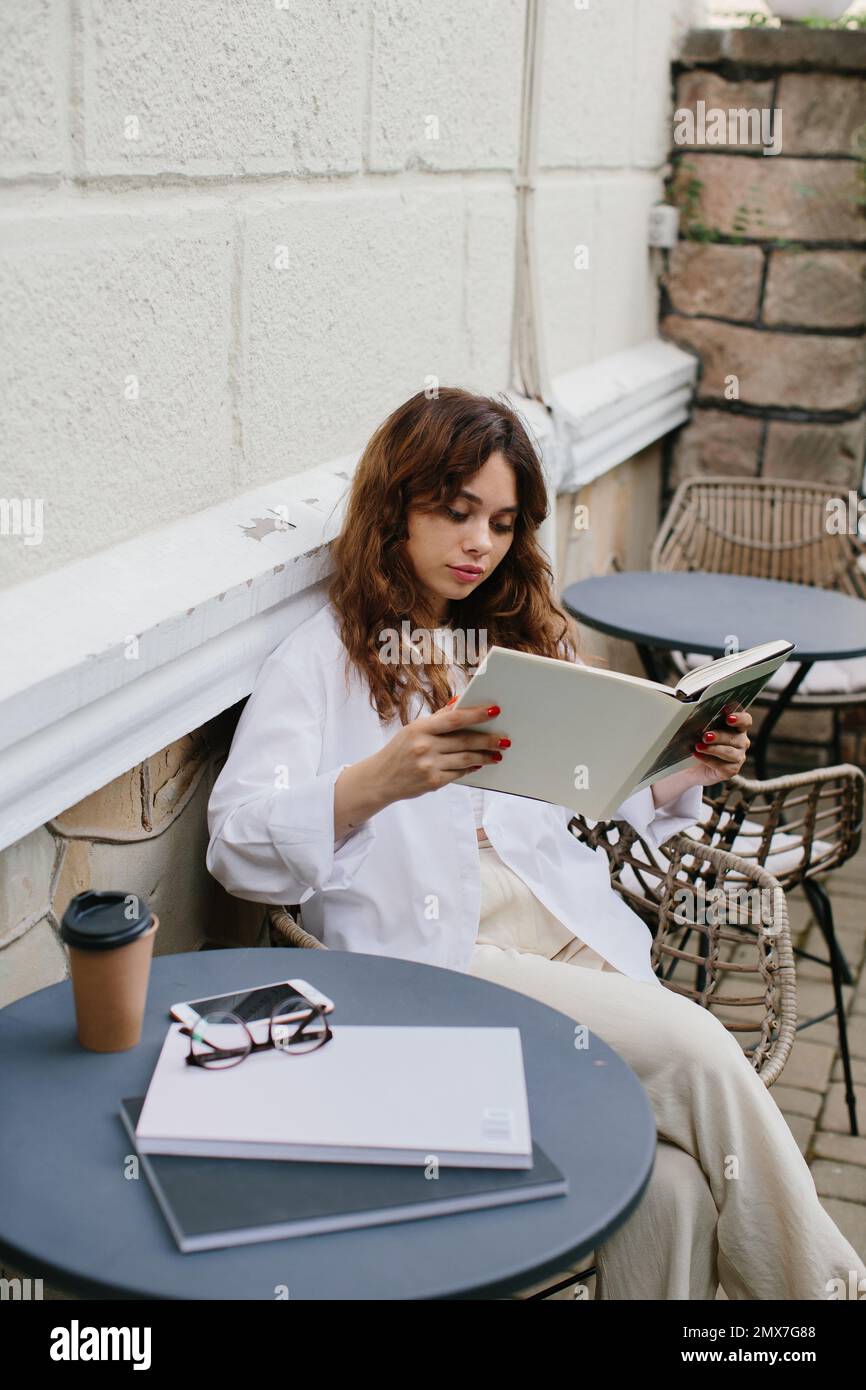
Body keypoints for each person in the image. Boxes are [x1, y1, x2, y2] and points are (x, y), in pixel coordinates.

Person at [206, 387, 866, 1301]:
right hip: (440, 960)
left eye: (504, 522)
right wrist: (378, 781)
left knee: (670, 1189)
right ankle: (829, 1297)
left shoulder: (512, 639)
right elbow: (237, 846)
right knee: (698, 1049)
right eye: (456, 510)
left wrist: (684, 768)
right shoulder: (321, 660)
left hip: (559, 923)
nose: (481, 542)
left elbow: (596, 780)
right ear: (395, 504)